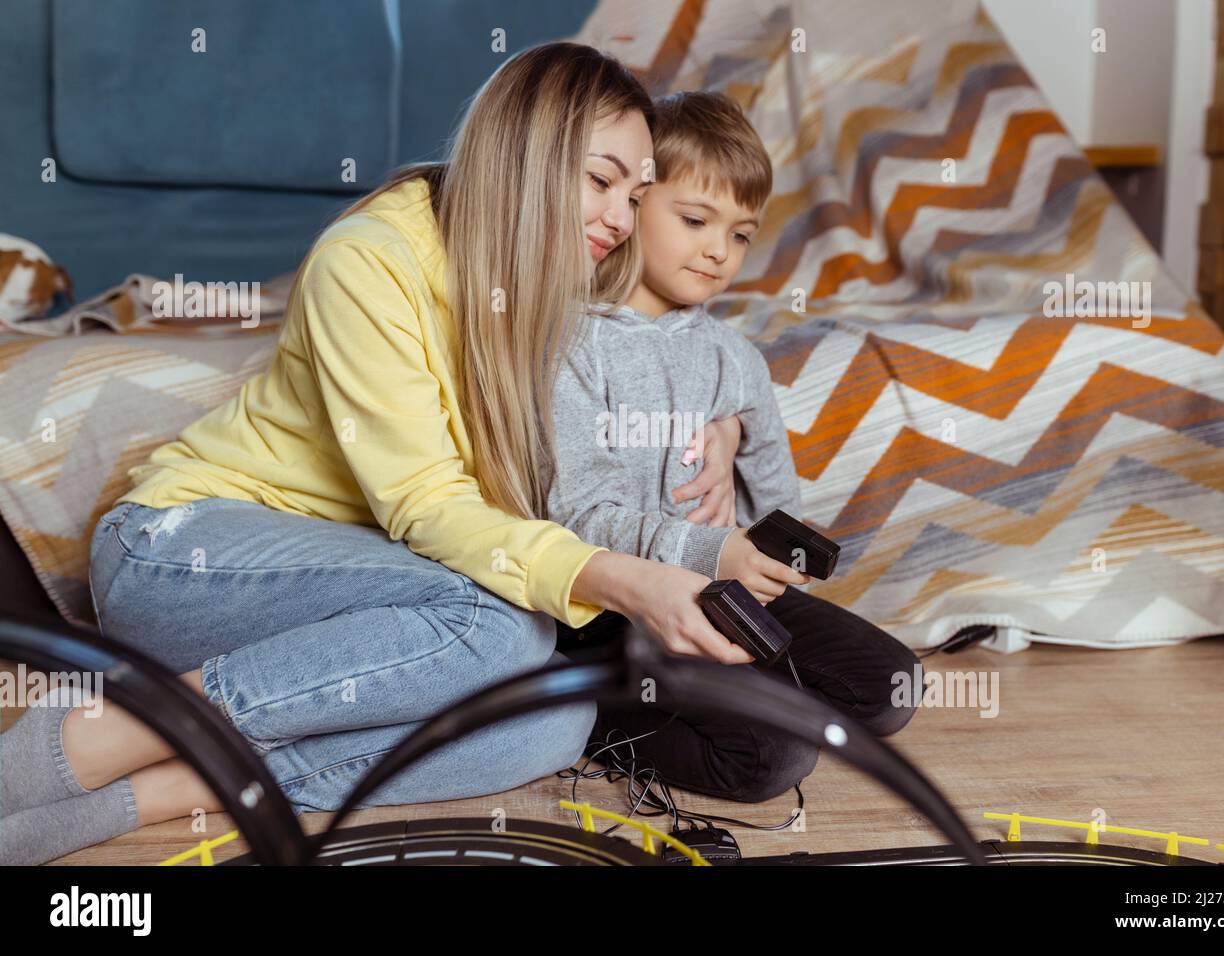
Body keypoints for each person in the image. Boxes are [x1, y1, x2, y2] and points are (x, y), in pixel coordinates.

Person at [0, 43, 752, 866]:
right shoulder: (372, 257)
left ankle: (187, 785)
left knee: (553, 718)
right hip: (182, 556)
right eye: (600, 180)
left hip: (351, 602)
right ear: (525, 154)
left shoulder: (549, 284)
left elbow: (653, 364)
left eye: (637, 194)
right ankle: (122, 725)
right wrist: (628, 578)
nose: (619, 216)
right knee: (494, 627)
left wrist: (724, 424)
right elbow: (426, 506)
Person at [545, 91, 923, 804]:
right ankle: (590, 717)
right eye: (695, 221)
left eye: (742, 234)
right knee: (766, 762)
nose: (720, 252)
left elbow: (778, 504)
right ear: (632, 204)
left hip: (726, 593)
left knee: (890, 690)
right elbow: (578, 518)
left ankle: (751, 697)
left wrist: (772, 531)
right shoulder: (570, 344)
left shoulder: (734, 358)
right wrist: (704, 549)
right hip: (618, 615)